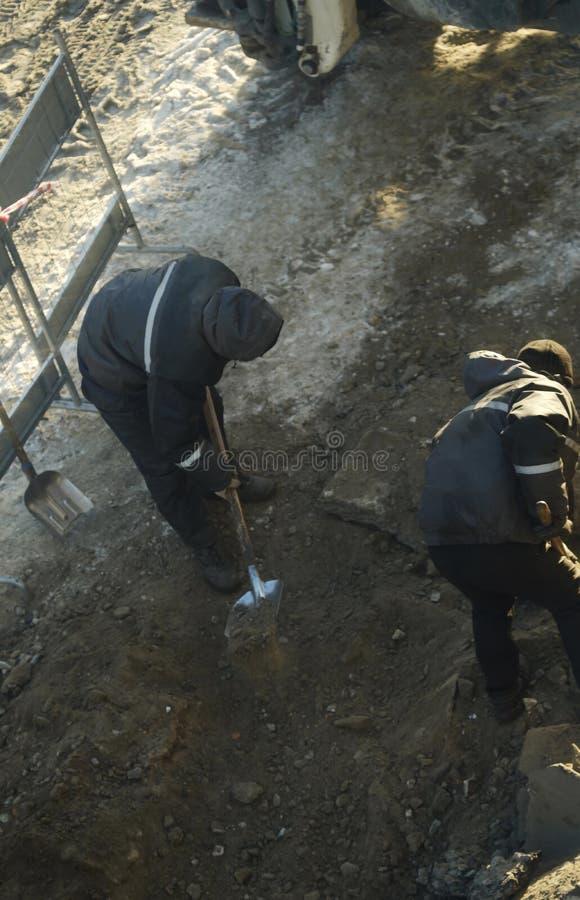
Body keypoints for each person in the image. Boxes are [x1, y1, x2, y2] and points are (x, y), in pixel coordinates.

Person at [77, 253, 283, 593]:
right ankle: (203, 545)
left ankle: (225, 481)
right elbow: (174, 441)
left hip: (133, 319)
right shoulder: (177, 360)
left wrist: (214, 469)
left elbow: (191, 389)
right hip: (110, 368)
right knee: (161, 464)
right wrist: (202, 463)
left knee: (208, 407)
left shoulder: (219, 277)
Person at [419, 340, 580, 722]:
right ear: (560, 378)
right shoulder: (542, 388)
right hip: (498, 533)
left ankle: (504, 699)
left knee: (490, 607)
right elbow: (533, 434)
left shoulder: (471, 410)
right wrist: (554, 520)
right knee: (573, 596)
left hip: (444, 544)